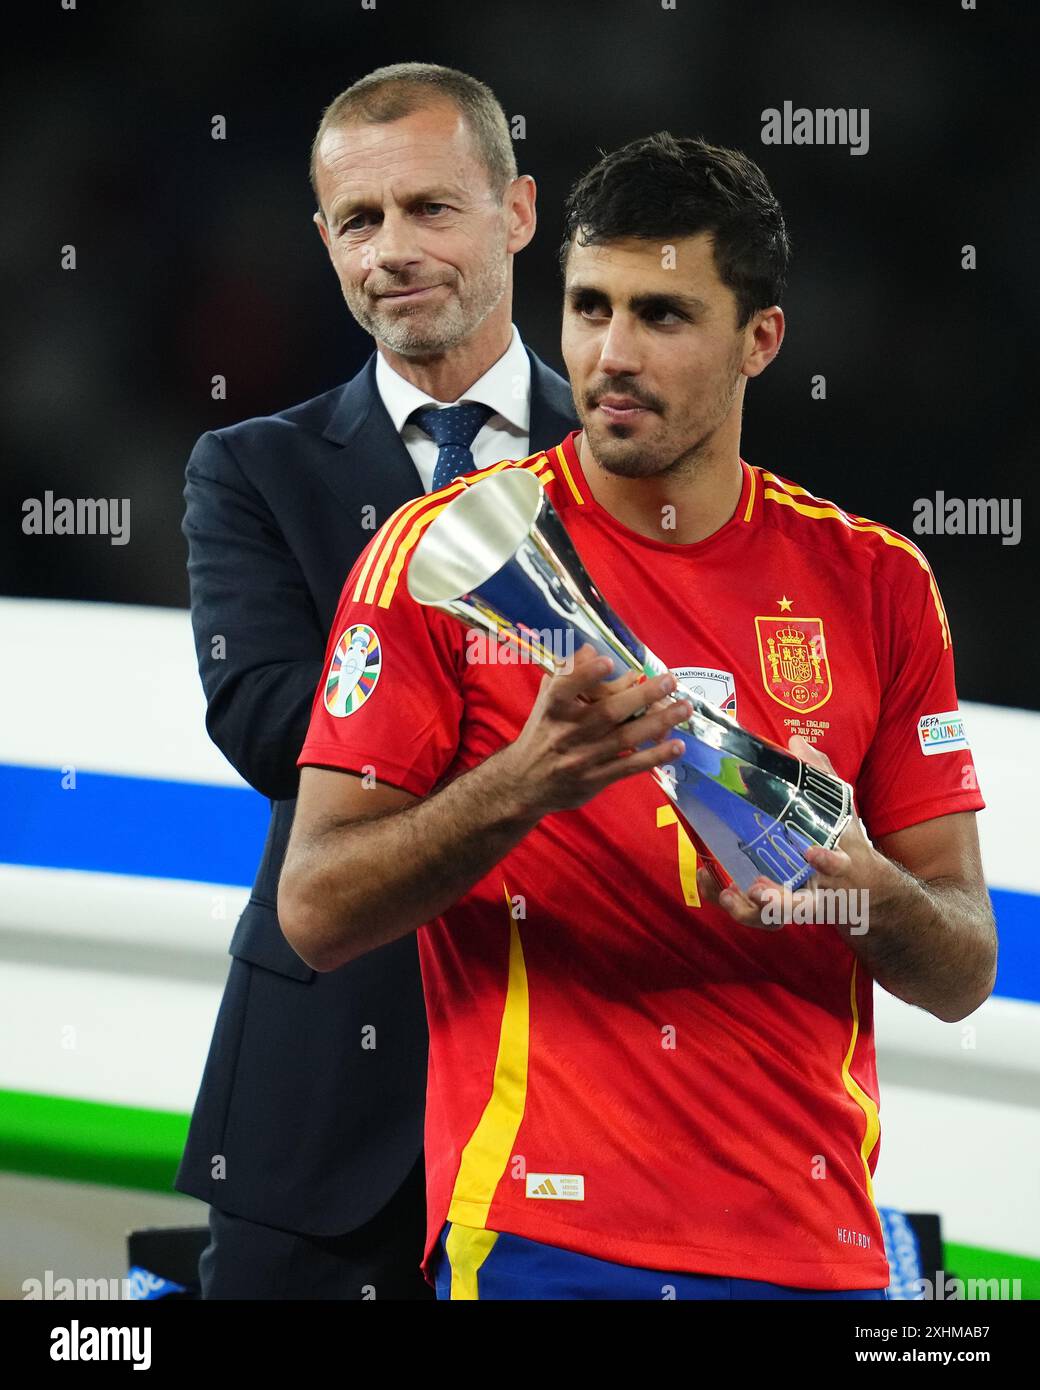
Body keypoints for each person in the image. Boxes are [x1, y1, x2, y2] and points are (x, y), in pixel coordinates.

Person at [279, 132, 996, 1300]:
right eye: (587, 307)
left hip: (814, 1245)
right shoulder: (439, 558)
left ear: (759, 339)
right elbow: (312, 912)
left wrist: (849, 890)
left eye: (660, 315)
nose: (609, 355)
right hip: (540, 1233)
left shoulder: (875, 584)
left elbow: (964, 964)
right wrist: (526, 782)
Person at [175, 62, 577, 1299]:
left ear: (515, 213)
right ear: (324, 243)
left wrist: (400, 716)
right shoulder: (251, 468)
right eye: (359, 221)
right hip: (317, 1105)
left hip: (575, 1075)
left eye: (429, 209)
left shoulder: (629, 461)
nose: (391, 250)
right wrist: (538, 735)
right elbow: (260, 720)